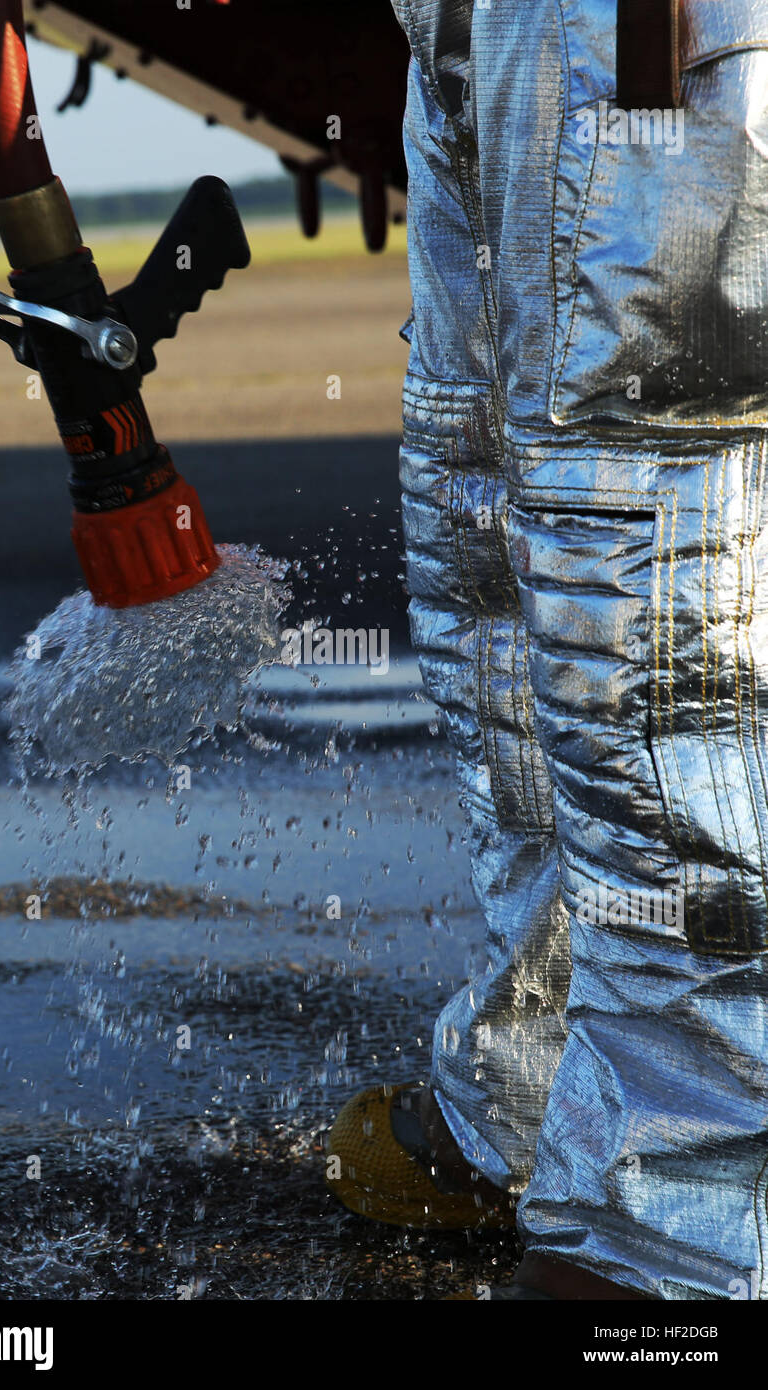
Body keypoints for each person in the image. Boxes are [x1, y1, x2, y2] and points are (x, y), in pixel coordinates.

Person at [327, 0, 768, 1300]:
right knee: (488, 519)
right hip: (475, 26)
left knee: (640, 524)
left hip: (632, 23)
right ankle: (537, 1090)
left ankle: (680, 1227)